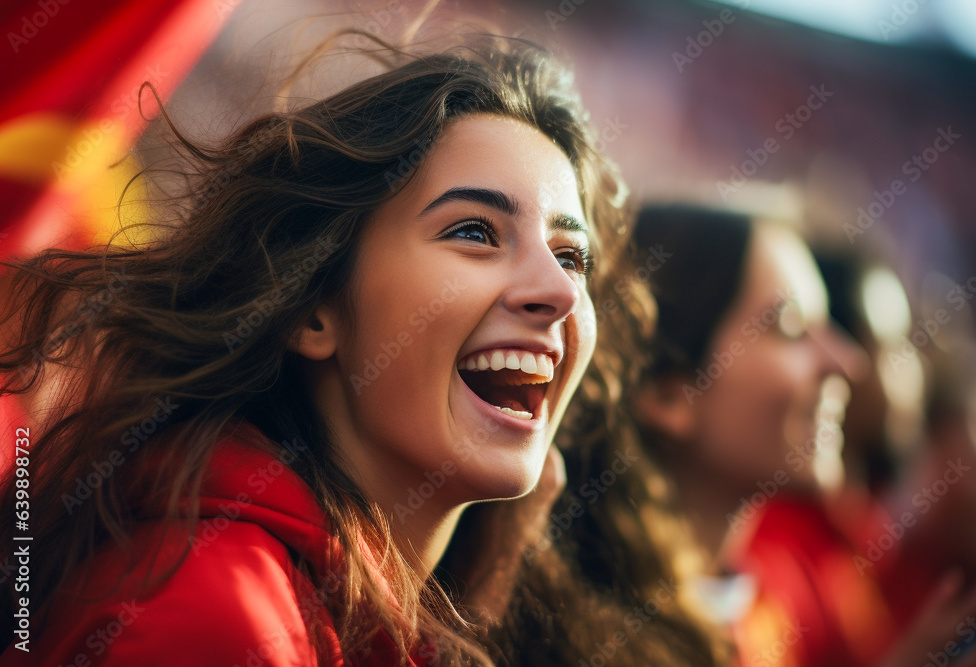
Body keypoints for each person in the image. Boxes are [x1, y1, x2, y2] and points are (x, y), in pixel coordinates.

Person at [0, 32, 639, 665]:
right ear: (311, 309)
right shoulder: (220, 618)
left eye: (571, 255)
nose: (558, 290)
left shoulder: (361, 616)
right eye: (475, 232)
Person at [627, 204, 976, 667]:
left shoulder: (759, 601)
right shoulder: (574, 623)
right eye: (790, 327)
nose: (847, 362)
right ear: (667, 393)